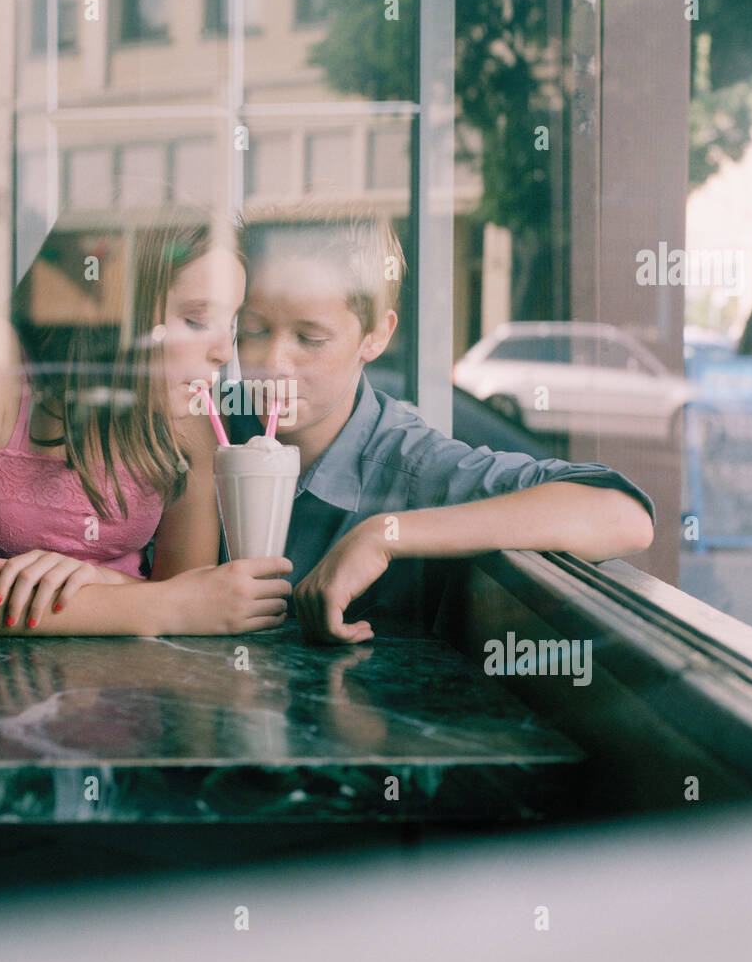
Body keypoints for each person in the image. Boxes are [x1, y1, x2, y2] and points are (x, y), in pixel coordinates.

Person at [227, 209, 656, 643]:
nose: (273, 363)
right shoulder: (212, 431)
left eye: (311, 339)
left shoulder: (412, 466)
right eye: (252, 330)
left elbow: (623, 517)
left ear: (376, 335)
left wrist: (383, 534)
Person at [0, 216, 292, 637]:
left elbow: (195, 597)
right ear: (115, 305)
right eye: (196, 321)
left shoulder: (188, 410)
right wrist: (164, 606)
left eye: (230, 326)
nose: (221, 352)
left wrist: (107, 583)